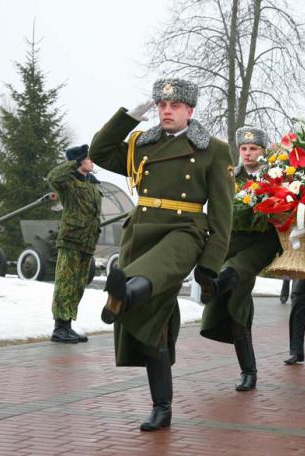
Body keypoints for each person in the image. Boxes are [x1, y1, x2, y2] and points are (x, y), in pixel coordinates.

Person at [90, 78, 234, 431]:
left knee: (153, 275)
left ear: (190, 111)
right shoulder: (143, 143)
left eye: (174, 106)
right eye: (161, 106)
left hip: (185, 230)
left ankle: (124, 294)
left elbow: (222, 211)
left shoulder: (213, 149)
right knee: (153, 322)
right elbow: (100, 151)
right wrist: (127, 118)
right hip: (141, 230)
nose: (166, 111)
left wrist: (210, 264)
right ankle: (162, 407)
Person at [199, 126, 282, 392]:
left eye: (253, 148)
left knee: (236, 273)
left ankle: (217, 284)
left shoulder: (277, 178)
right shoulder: (229, 177)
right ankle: (249, 371)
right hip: (231, 241)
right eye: (244, 149)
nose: (247, 153)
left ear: (263, 151)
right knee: (237, 306)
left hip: (261, 243)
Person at [47, 144, 102, 344]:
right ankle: (60, 327)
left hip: (87, 241)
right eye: (87, 158)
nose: (91, 161)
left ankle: (67, 325)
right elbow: (53, 177)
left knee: (78, 285)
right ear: (78, 162)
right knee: (65, 283)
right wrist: (73, 162)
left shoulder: (91, 183)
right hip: (71, 239)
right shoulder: (67, 183)